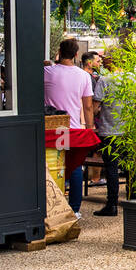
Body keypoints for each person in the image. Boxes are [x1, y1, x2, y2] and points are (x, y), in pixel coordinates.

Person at [43, 38, 94, 217]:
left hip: (51, 127)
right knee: (74, 167)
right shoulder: (83, 76)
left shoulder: (47, 72)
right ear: (76, 55)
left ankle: (51, 206)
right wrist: (89, 127)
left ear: (59, 52)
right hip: (72, 128)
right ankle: (74, 209)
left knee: (52, 166)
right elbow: (87, 106)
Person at [91, 52, 125, 216]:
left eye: (105, 61)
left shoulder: (105, 80)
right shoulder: (132, 79)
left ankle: (112, 204)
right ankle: (133, 200)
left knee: (111, 168)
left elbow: (95, 106)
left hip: (109, 129)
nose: (103, 64)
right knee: (130, 167)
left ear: (110, 62)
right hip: (129, 130)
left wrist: (96, 115)